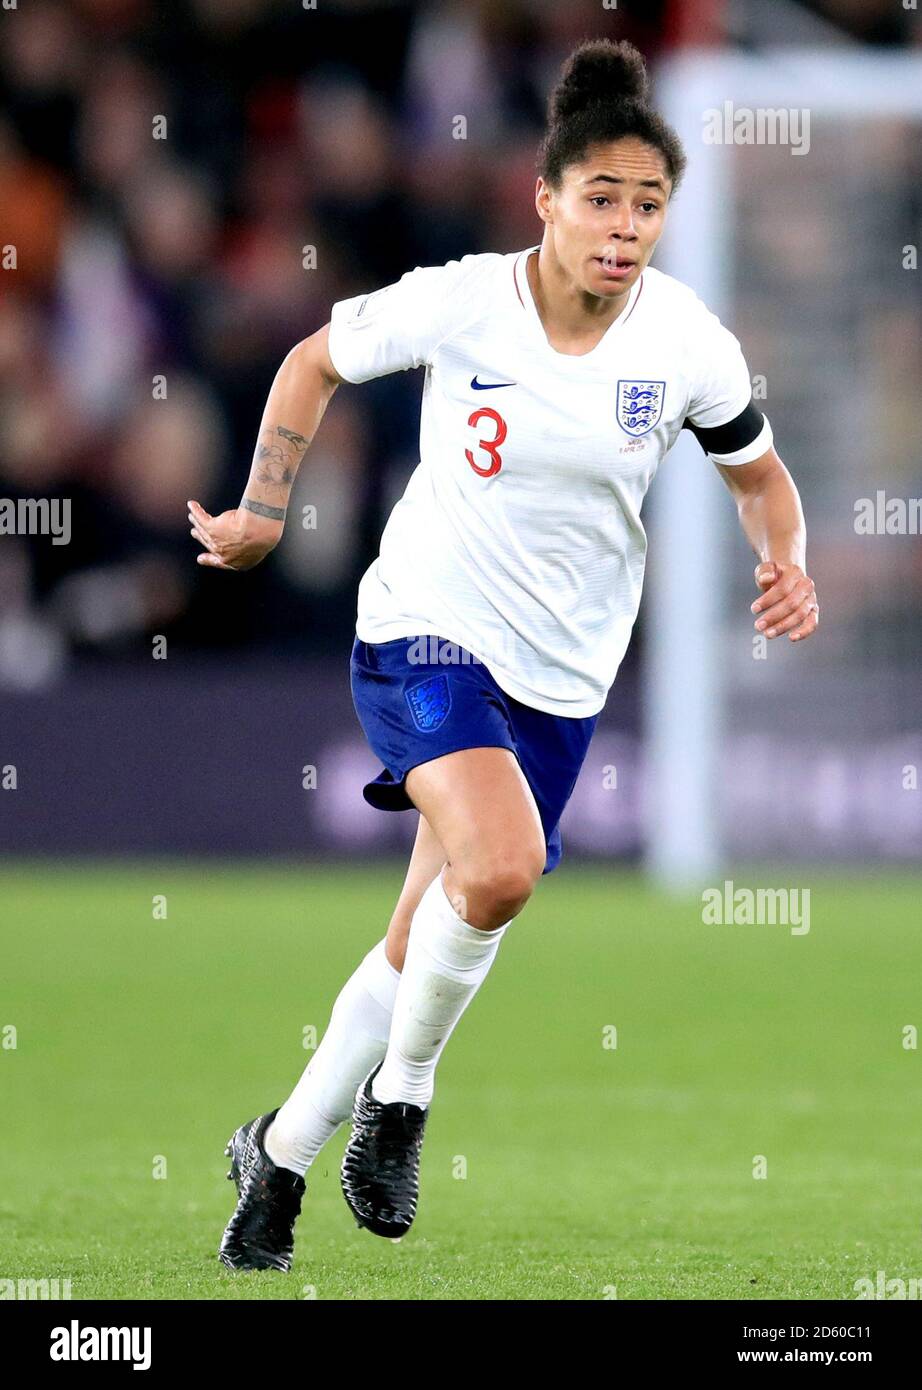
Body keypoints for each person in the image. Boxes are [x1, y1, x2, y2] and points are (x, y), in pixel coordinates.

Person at [189, 39, 819, 1272]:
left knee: (428, 925)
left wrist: (781, 557)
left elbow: (760, 477)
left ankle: (277, 1155)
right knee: (508, 867)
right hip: (425, 627)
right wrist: (266, 507)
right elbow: (312, 360)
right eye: (601, 199)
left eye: (647, 205)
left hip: (560, 678)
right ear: (546, 200)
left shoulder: (683, 341)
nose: (624, 226)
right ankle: (403, 1101)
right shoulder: (464, 298)